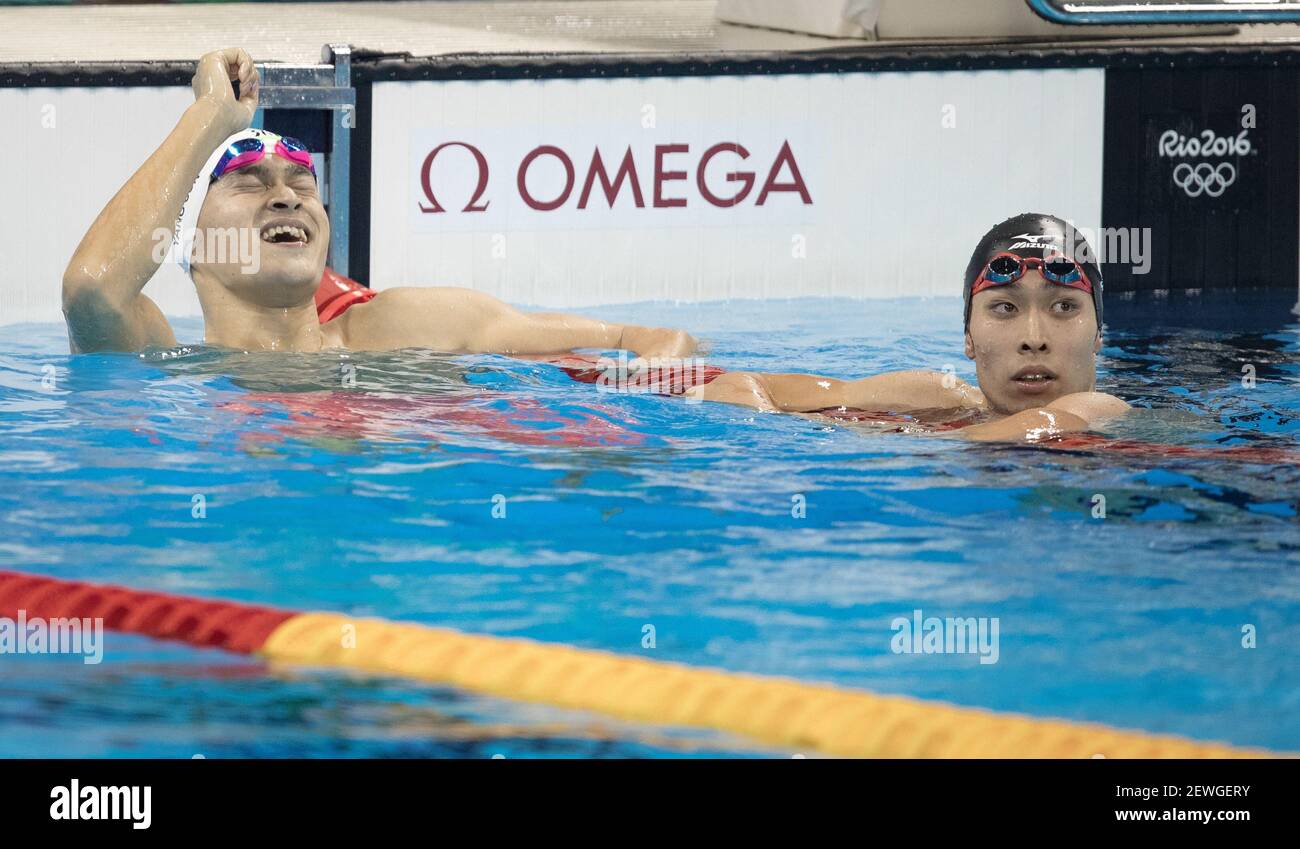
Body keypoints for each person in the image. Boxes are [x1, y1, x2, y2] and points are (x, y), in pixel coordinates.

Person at [61, 48, 696, 361]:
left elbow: (634, 338)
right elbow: (93, 289)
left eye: (301, 183)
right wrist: (209, 117)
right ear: (192, 242)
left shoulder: (400, 328)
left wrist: (658, 348)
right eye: (250, 182)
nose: (285, 195)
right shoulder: (168, 368)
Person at [687, 213, 1131, 442]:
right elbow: (733, 384)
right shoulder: (938, 398)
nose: (1034, 337)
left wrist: (886, 438)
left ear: (1098, 336)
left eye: (1063, 307)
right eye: (1004, 308)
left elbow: (1046, 424)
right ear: (969, 339)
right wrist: (769, 422)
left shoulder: (1101, 410)